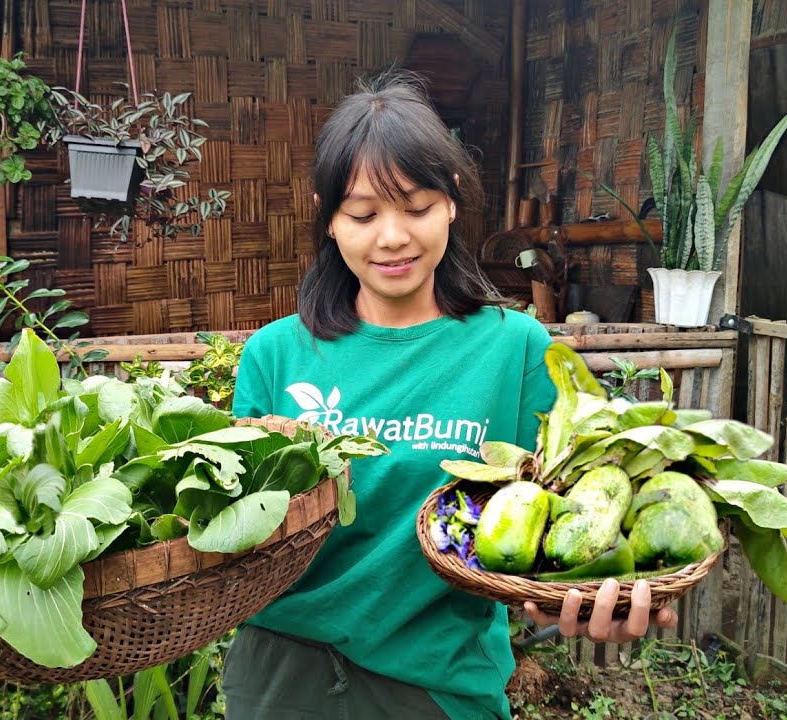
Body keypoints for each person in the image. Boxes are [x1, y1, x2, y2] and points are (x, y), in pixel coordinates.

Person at [223, 73, 678, 720]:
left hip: (439, 686)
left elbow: (563, 510)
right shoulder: (276, 355)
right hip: (280, 676)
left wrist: (590, 590)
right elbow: (241, 534)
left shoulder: (515, 349)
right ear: (329, 219)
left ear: (453, 202)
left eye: (416, 208)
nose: (392, 236)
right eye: (363, 214)